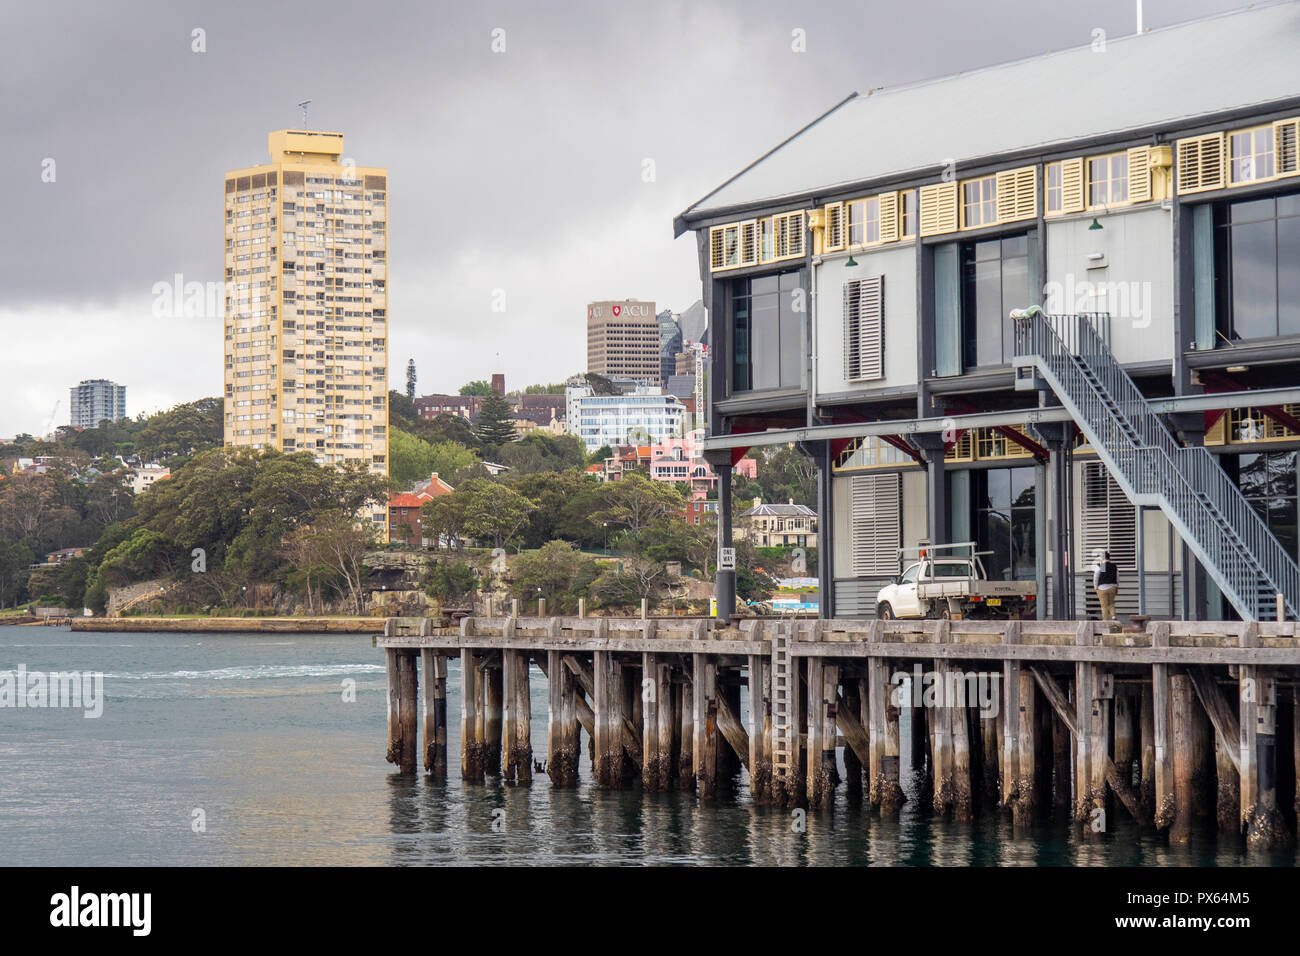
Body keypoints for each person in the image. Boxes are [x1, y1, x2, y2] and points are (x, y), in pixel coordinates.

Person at [1093, 550, 1119, 621]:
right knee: (1111, 603)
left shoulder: (1102, 566)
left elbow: (1096, 577)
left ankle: (1105, 621)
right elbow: (1117, 577)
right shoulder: (1114, 566)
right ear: (1109, 557)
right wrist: (1117, 586)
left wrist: (1095, 587)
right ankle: (1113, 616)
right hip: (1112, 587)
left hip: (1102, 587)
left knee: (1104, 606)